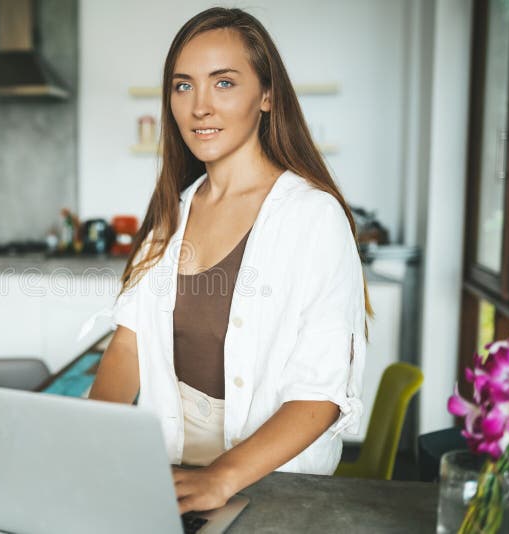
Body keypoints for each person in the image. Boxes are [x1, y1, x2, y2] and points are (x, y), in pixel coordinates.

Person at [88, 7, 373, 514]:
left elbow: (321, 393)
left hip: (270, 481)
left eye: (223, 83)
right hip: (170, 469)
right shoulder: (174, 209)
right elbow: (127, 348)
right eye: (183, 86)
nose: (200, 107)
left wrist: (221, 479)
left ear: (266, 95)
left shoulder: (312, 216)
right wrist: (90, 445)